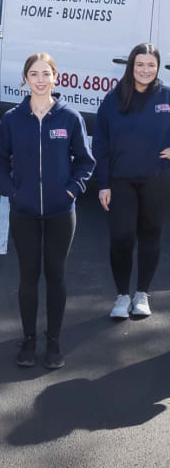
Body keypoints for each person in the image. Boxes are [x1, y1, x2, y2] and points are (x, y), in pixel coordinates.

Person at [0, 53, 94, 369]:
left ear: (55, 78)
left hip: (61, 212)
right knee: (28, 275)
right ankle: (29, 340)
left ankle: (53, 342)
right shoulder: (12, 119)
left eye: (45, 73)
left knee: (56, 275)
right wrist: (12, 191)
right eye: (33, 73)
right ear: (25, 79)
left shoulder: (69, 117)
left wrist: (70, 191)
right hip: (24, 211)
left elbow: (86, 162)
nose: (39, 79)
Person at [92, 43, 170, 319]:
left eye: (151, 65)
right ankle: (122, 296)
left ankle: (142, 294)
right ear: (131, 66)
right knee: (121, 238)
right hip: (120, 180)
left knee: (150, 237)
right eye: (140, 65)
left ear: (158, 67)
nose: (145, 70)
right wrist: (102, 183)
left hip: (157, 180)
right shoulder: (113, 99)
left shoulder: (166, 96)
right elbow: (99, 143)